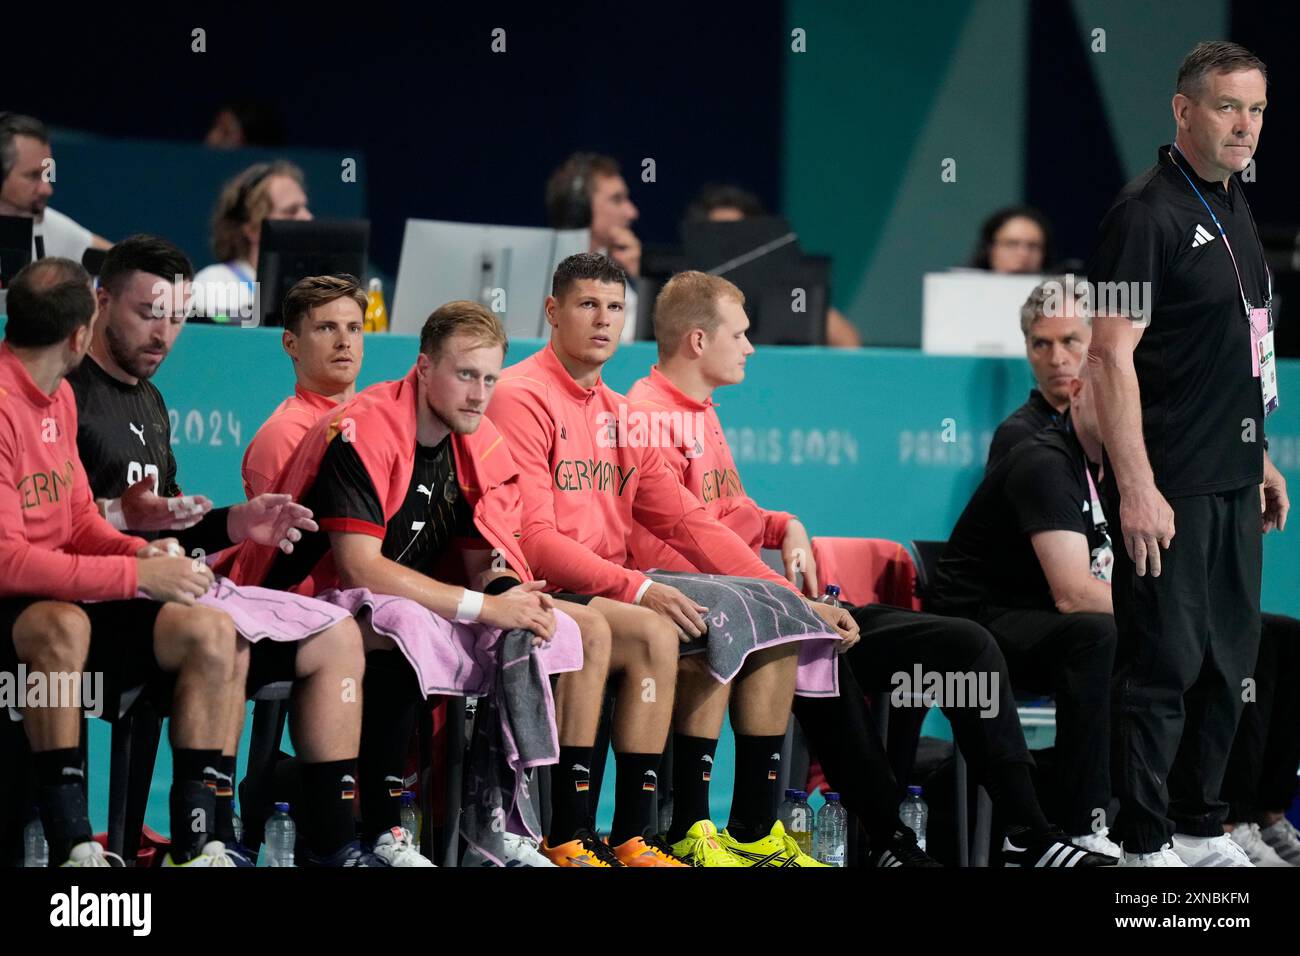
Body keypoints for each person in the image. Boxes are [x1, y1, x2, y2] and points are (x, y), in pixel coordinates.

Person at [627, 269, 1115, 866]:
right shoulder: (646, 416)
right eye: (742, 333)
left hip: (758, 602)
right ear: (699, 341)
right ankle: (890, 841)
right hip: (710, 610)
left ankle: (1029, 834)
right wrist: (793, 599)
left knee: (967, 645)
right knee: (821, 650)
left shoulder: (701, 411)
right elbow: (692, 534)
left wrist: (786, 527)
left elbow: (731, 511)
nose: (752, 346)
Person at [231, 301, 644, 867]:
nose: (479, 393)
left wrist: (508, 598)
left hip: (382, 606)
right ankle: (379, 828)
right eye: (466, 375)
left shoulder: (477, 439)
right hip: (286, 605)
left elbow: (481, 559)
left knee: (544, 630)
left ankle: (499, 819)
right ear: (424, 369)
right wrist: (481, 606)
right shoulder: (362, 430)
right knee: (405, 623)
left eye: (490, 378)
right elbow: (360, 568)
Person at [65, 235, 401, 866]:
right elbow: (67, 522)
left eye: (175, 316)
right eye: (147, 313)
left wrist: (233, 524)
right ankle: (203, 839)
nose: (164, 334)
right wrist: (142, 545)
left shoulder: (150, 399)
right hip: (95, 598)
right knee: (219, 629)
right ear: (101, 301)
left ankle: (333, 843)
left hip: (161, 589)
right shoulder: (67, 393)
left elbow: (163, 525)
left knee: (336, 636)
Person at [1087, 40, 1287, 867]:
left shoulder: (1234, 205)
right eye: (1228, 107)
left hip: (1235, 478)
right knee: (1163, 664)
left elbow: (1239, 346)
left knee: (1225, 665)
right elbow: (1108, 353)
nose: (1246, 126)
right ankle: (1142, 840)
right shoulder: (1145, 215)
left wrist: (1263, 456)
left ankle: (1202, 826)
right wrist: (1134, 485)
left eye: (1258, 110)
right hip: (1167, 484)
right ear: (1183, 110)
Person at [0, 258, 241, 867]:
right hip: (19, 610)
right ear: (81, 335)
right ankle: (73, 843)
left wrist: (143, 551)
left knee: (209, 629)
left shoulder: (57, 400)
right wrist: (137, 575)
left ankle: (197, 842)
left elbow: (80, 520)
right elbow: (6, 562)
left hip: (66, 596)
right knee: (64, 624)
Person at [930, 362, 1120, 856]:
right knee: (1101, 636)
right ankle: (1084, 827)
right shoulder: (1046, 461)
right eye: (1111, 393)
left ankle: (1209, 820)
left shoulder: (1115, 471)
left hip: (1032, 619)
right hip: (973, 621)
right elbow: (1074, 594)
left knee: (1241, 638)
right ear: (1077, 393)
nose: (1125, 409)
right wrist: (1164, 612)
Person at [684, 183, 863, 348]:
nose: (731, 246)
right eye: (720, 234)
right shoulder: (683, 292)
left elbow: (847, 341)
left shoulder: (785, 286)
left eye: (739, 233)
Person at [243, 274, 366, 498]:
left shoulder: (378, 420)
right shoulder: (283, 435)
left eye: (354, 328)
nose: (344, 342)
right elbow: (287, 530)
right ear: (291, 344)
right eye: (326, 328)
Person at [987, 276, 1091, 469]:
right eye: (1041, 344)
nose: (1056, 359)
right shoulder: (1018, 438)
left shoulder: (1118, 430)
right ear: (1026, 348)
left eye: (1069, 341)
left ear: (1095, 343)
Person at [192, 161, 313, 320]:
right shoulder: (214, 283)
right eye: (291, 211)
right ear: (253, 228)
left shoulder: (314, 289)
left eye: (305, 208)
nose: (308, 218)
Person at [545, 153, 641, 337]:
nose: (632, 212)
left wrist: (641, 277)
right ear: (579, 209)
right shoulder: (542, 275)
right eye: (617, 199)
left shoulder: (614, 269)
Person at [0, 113, 110, 263]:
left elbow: (125, 265)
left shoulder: (48, 224)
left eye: (48, 173)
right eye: (33, 176)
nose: (47, 189)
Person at [969, 205, 1053, 274]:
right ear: (989, 248)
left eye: (1033, 246)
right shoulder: (962, 287)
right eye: (1011, 244)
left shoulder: (1059, 291)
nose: (1023, 254)